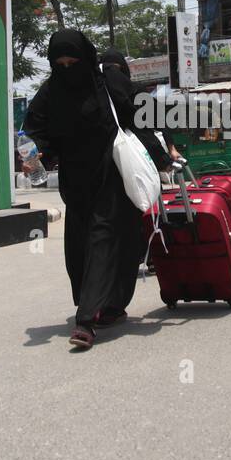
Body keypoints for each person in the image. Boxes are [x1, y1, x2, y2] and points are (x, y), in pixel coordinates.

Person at [23, 32, 171, 351]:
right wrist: (36, 156)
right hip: (75, 182)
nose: (67, 69)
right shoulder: (51, 92)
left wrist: (162, 155)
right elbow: (38, 132)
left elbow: (142, 116)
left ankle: (86, 320)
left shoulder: (108, 82)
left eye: (72, 62)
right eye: (59, 64)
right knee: (79, 250)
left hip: (112, 174)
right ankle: (110, 306)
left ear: (87, 59)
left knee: (104, 238)